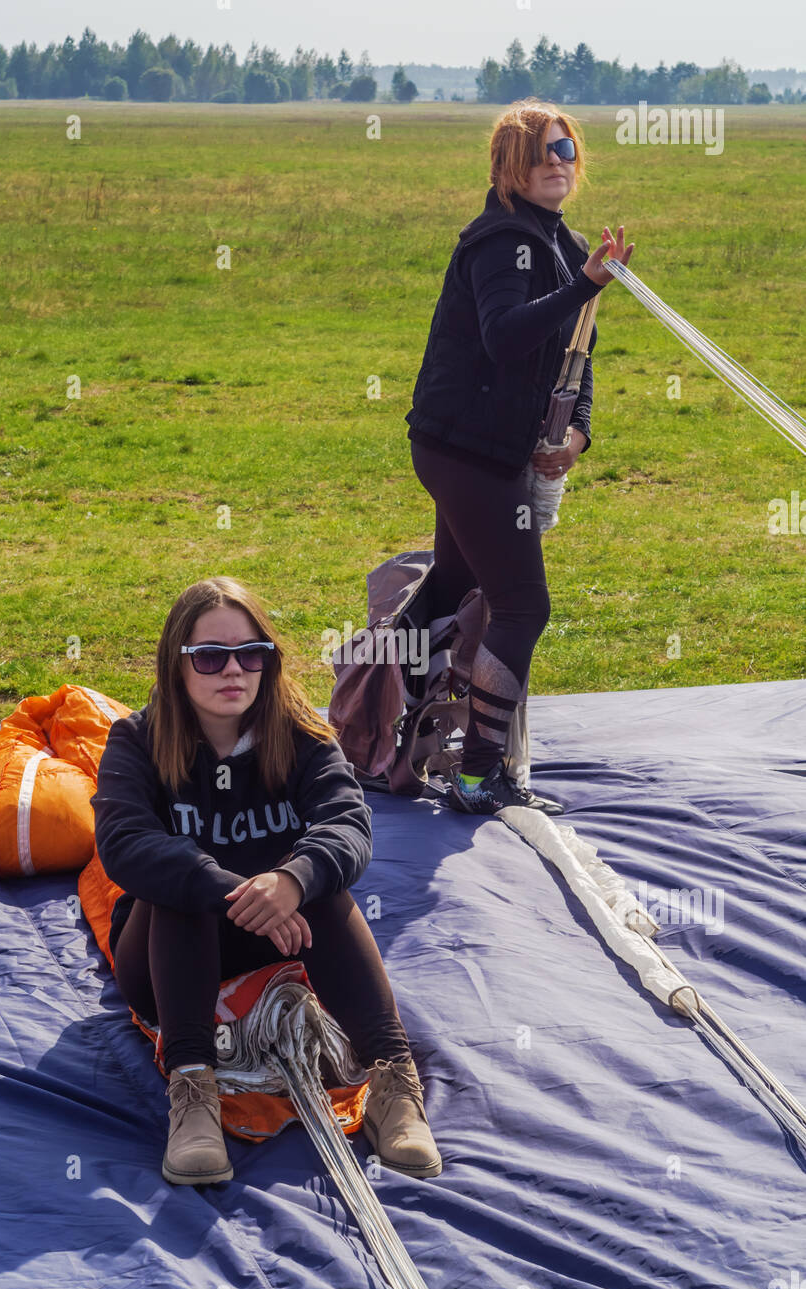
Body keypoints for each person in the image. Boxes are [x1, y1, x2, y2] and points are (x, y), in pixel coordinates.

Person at [91, 576, 442, 1185]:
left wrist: (292, 880)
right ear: (176, 665)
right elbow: (124, 844)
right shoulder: (138, 740)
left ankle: (392, 1080)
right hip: (164, 955)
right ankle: (193, 1091)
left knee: (327, 885)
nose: (234, 670)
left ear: (269, 661)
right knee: (179, 879)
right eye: (210, 656)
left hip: (278, 932)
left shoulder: (303, 737)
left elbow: (348, 826)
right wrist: (230, 887)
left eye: (250, 654)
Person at [405, 99, 634, 816]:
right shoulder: (504, 241)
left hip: (483, 447)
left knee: (450, 591)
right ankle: (476, 776)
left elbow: (576, 350)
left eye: (565, 149)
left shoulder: (557, 241)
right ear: (509, 166)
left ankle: (378, 725)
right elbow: (506, 336)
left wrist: (578, 432)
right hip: (465, 449)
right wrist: (584, 284)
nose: (557, 163)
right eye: (540, 152)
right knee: (521, 605)